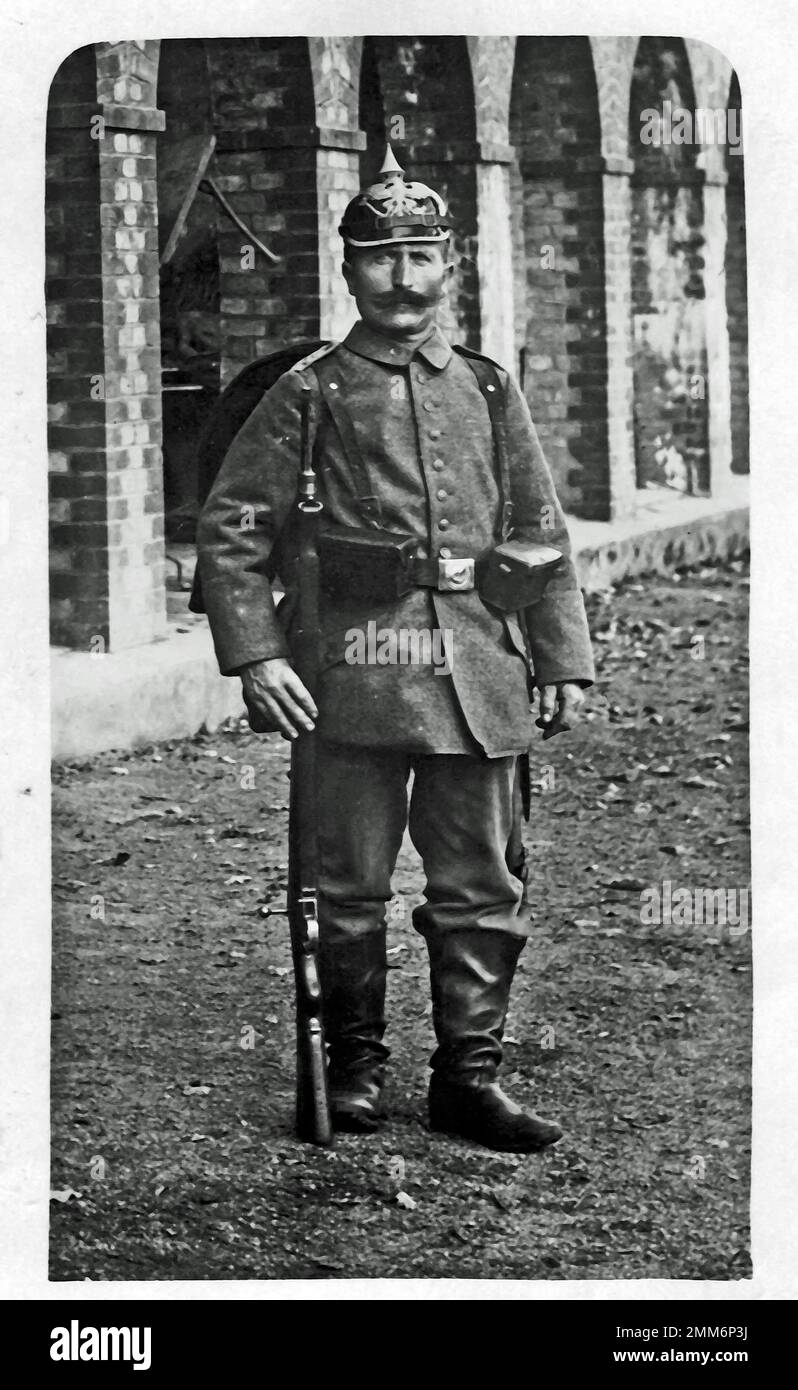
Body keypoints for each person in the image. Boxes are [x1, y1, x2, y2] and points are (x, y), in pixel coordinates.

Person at [196, 146, 595, 1152]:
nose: (405, 277)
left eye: (423, 253)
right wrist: (257, 653)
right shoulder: (310, 392)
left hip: (480, 672)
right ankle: (357, 1071)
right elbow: (232, 525)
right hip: (353, 680)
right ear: (350, 272)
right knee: (350, 883)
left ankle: (470, 1078)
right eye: (382, 257)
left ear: (451, 263)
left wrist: (561, 658)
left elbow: (541, 529)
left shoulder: (490, 390)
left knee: (482, 884)